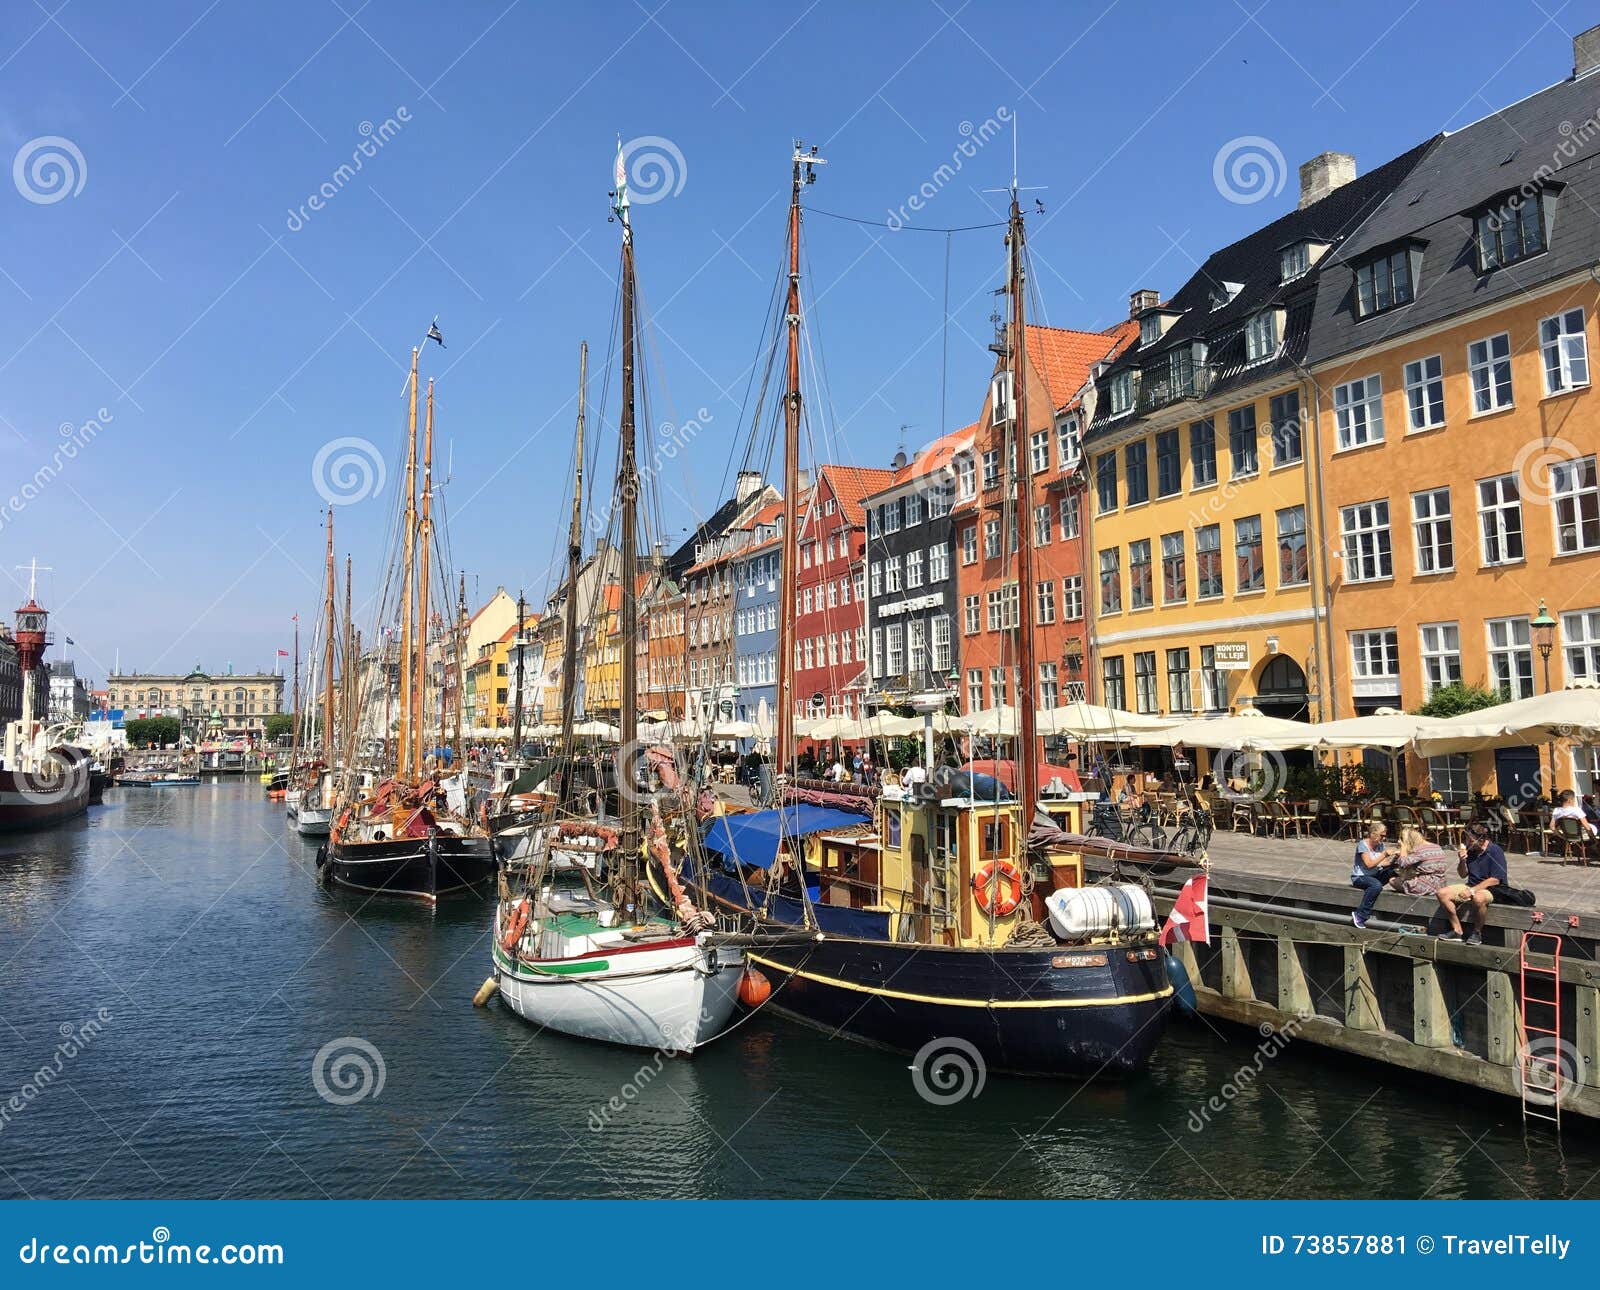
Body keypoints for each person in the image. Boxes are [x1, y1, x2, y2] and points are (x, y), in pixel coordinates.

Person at [1437, 823, 1507, 944]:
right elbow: (1463, 874)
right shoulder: (1471, 850)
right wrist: (1462, 861)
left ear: (1482, 840)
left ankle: (1477, 932)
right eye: (1467, 840)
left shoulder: (1495, 851)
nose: (1468, 843)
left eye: (1471, 840)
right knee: (1442, 893)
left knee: (1478, 898)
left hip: (1492, 889)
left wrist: (1472, 891)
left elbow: (1496, 879)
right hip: (1472, 884)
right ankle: (1457, 930)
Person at [1349, 821, 1399, 928]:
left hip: (1374, 875)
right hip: (1360, 877)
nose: (1383, 838)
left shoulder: (1380, 845)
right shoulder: (1362, 845)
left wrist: (1394, 860)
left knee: (1394, 871)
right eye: (1382, 836)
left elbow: (1382, 863)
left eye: (1384, 836)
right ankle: (1360, 915)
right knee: (1376, 885)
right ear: (1373, 834)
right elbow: (1369, 864)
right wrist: (1384, 854)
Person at [1386, 825, 1454, 897]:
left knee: (1392, 881)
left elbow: (1403, 863)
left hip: (1425, 885)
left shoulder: (1420, 850)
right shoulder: (1436, 846)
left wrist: (1403, 847)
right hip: (1441, 884)